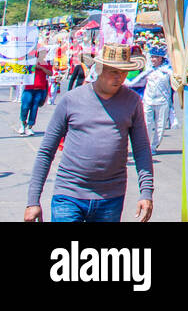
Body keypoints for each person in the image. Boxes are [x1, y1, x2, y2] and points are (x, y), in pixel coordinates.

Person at [25, 43, 153, 223]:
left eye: (124, 72)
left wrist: (146, 192)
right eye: (113, 71)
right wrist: (33, 201)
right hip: (68, 194)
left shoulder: (132, 102)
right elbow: (46, 151)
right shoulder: (71, 100)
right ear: (99, 69)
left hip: (110, 198)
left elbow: (141, 150)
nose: (120, 78)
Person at [141, 47, 173, 153]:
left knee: (160, 125)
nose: (153, 59)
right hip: (148, 100)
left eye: (155, 57)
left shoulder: (168, 70)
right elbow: (139, 81)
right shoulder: (148, 69)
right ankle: (145, 146)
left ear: (161, 58)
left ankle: (153, 147)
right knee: (147, 124)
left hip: (162, 101)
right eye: (152, 57)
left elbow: (175, 80)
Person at [19, 56, 53, 135]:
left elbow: (50, 73)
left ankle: (30, 127)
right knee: (25, 106)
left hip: (40, 89)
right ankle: (23, 123)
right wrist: (32, 66)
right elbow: (22, 71)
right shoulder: (29, 61)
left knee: (34, 108)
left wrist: (41, 68)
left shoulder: (46, 62)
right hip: (29, 88)